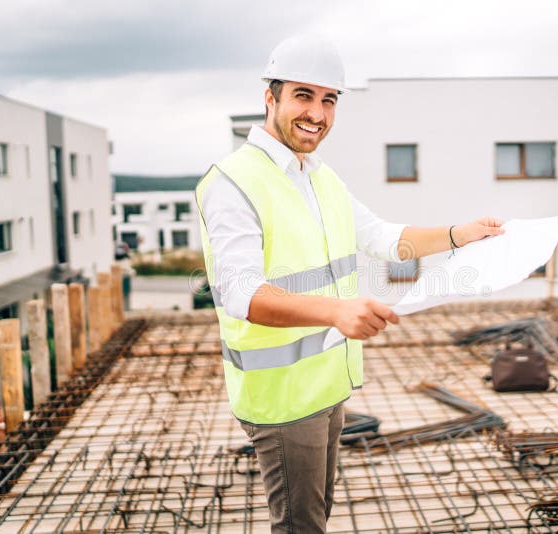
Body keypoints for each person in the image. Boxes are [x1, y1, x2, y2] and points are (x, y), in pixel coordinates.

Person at [194, 34, 504, 534]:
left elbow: (383, 237)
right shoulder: (233, 182)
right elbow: (241, 294)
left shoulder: (319, 177)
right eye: (303, 95)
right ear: (269, 97)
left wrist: (458, 235)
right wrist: (336, 312)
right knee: (301, 526)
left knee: (317, 514)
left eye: (328, 100)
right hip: (283, 397)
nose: (317, 113)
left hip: (327, 385)